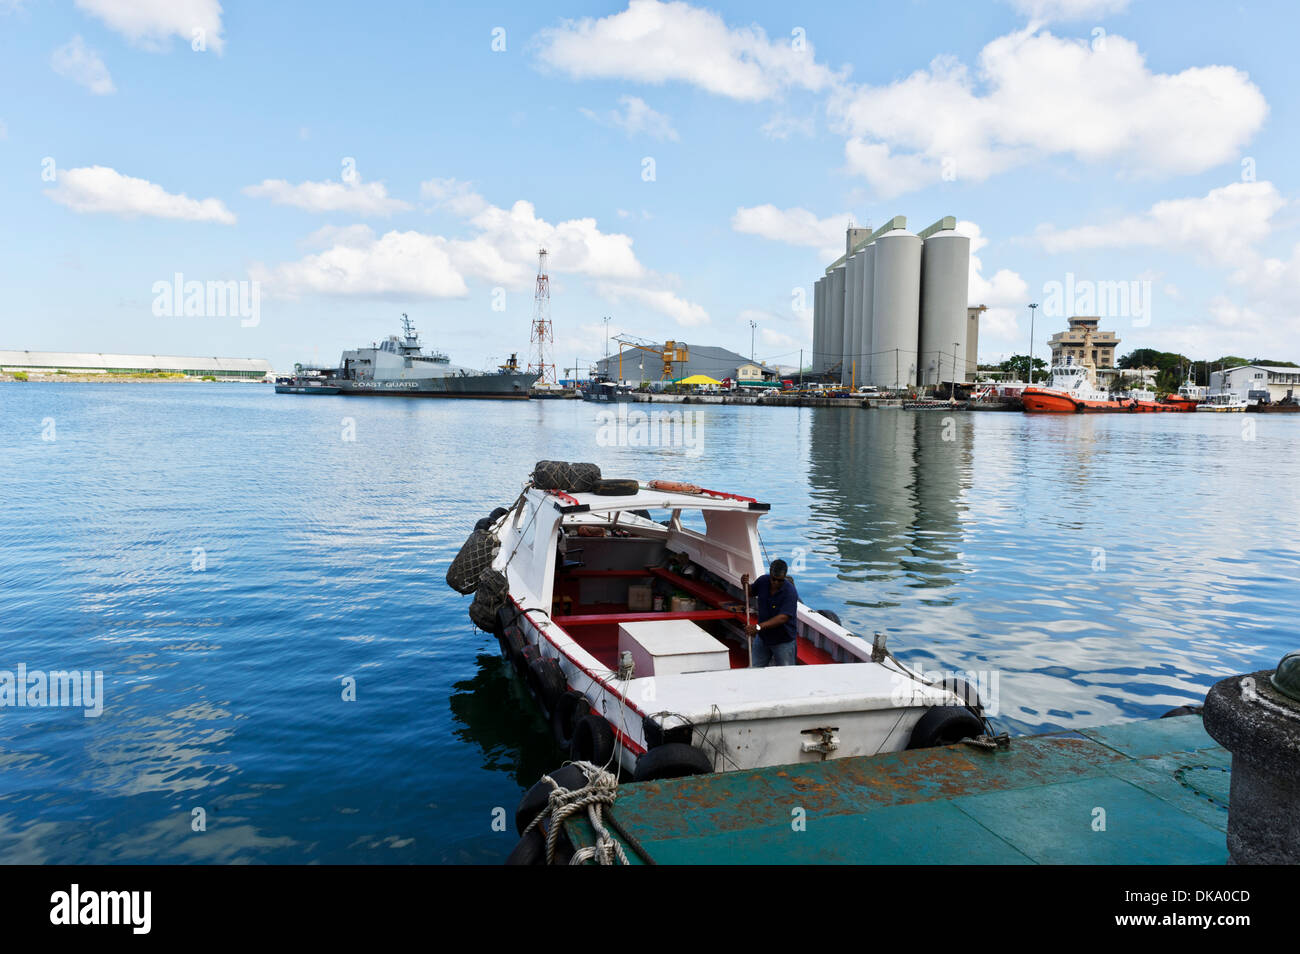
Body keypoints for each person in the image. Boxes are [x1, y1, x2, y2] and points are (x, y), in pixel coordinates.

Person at [740, 560, 799, 667]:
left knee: (787, 674)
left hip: (783, 640)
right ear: (770, 574)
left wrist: (758, 627)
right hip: (763, 637)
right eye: (773, 579)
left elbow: (783, 618)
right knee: (754, 669)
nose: (776, 582)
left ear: (785, 577)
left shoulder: (790, 592)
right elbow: (750, 592)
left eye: (780, 580)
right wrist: (744, 584)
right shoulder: (763, 581)